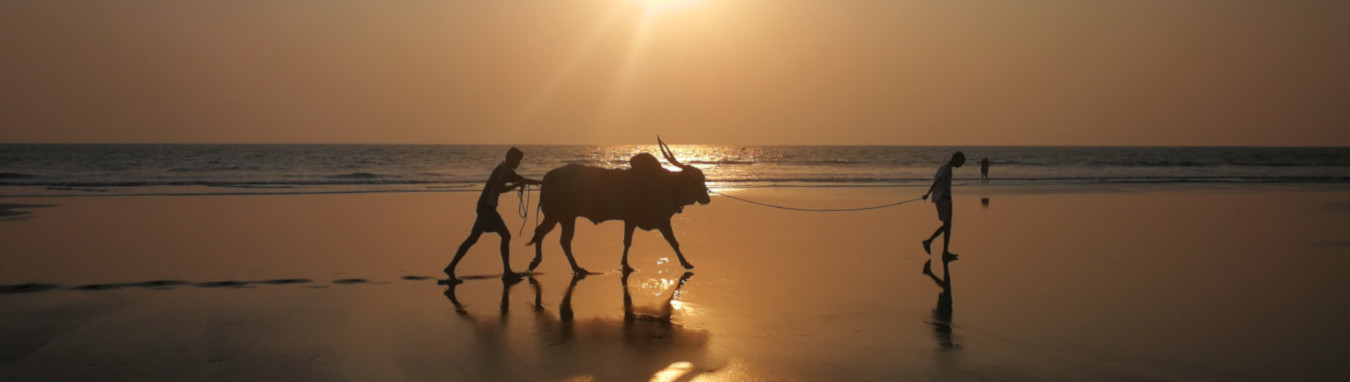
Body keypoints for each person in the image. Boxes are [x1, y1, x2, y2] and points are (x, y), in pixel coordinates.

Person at [444, 147, 543, 283]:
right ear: (511, 158)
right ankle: (507, 272)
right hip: (487, 209)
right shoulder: (502, 171)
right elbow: (499, 189)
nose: (518, 164)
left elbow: (523, 180)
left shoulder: (506, 170)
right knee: (505, 236)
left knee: (473, 239)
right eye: (518, 161)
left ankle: (451, 267)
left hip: (485, 207)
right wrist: (517, 185)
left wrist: (544, 183)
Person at [922, 151, 965, 259]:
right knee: (947, 226)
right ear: (956, 160)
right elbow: (937, 181)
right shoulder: (945, 169)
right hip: (943, 200)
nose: (961, 165)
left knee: (948, 226)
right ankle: (929, 242)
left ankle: (944, 251)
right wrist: (927, 194)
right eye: (961, 163)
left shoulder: (947, 168)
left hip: (946, 200)